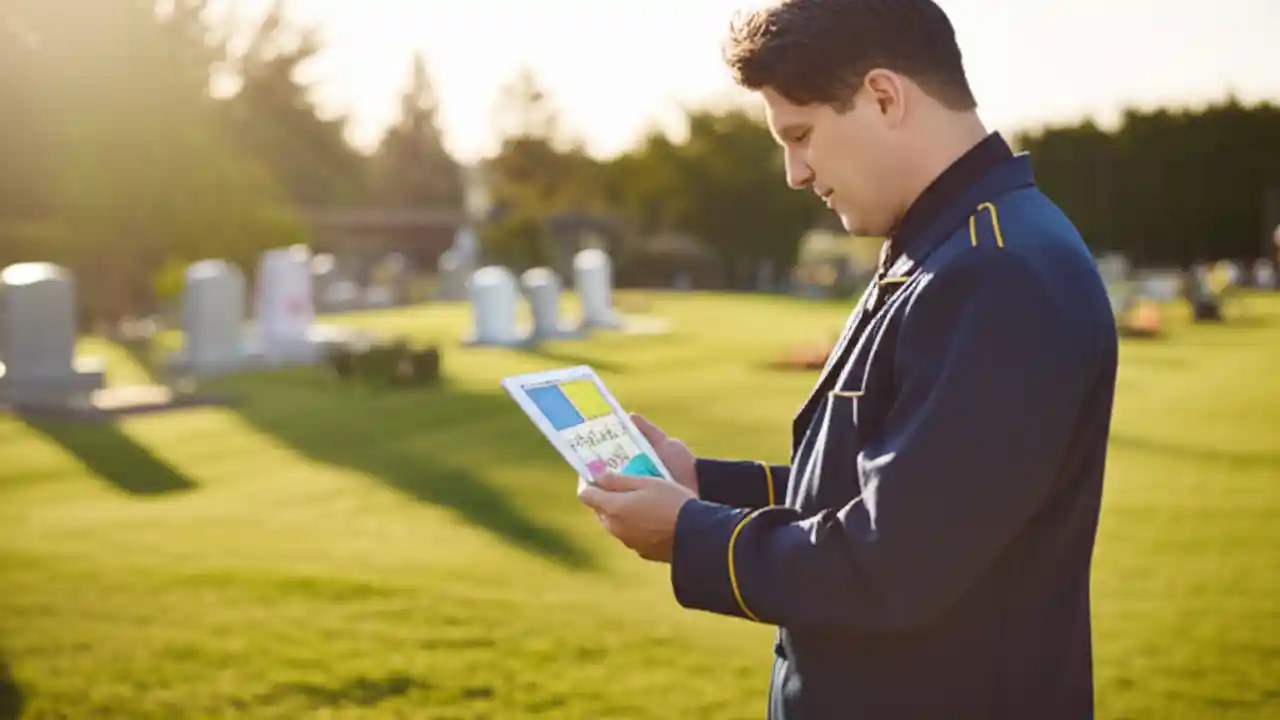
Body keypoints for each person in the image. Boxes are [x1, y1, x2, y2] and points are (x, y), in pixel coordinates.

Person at [578, 0, 1118, 717]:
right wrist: (700, 483)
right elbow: (887, 489)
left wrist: (689, 532)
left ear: (884, 96)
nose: (794, 173)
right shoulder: (947, 245)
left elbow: (889, 564)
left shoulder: (998, 270)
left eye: (800, 135)